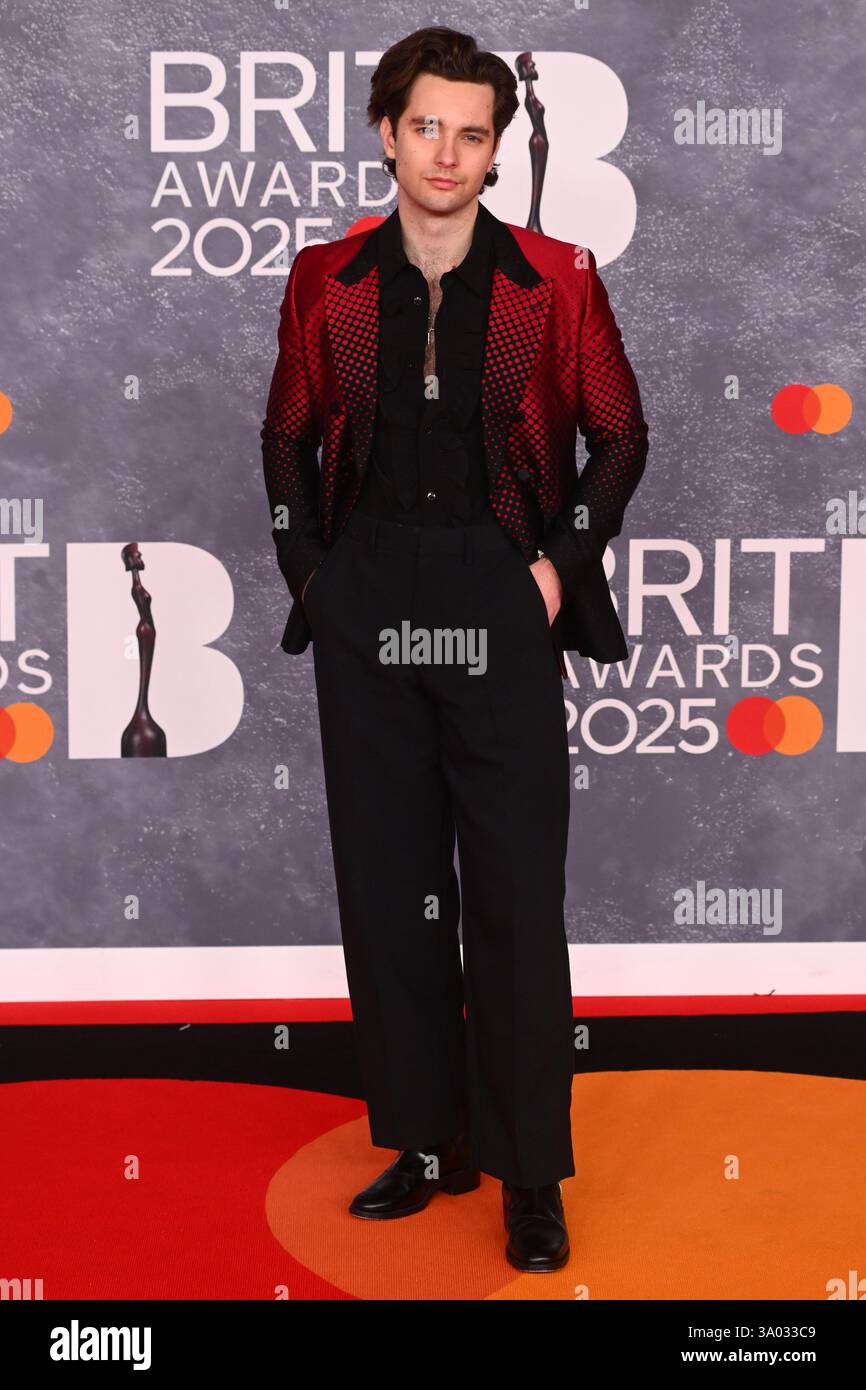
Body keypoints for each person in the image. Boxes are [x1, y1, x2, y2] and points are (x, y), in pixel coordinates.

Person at [261, 25, 649, 1272]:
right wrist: (313, 579)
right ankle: (425, 1143)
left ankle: (528, 1174)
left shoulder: (556, 278)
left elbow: (621, 435)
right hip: (364, 591)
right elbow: (285, 439)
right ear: (385, 132)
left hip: (498, 595)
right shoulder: (327, 280)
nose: (445, 150)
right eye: (424, 124)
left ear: (495, 149)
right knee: (388, 890)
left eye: (470, 132)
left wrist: (549, 573)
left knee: (514, 901)